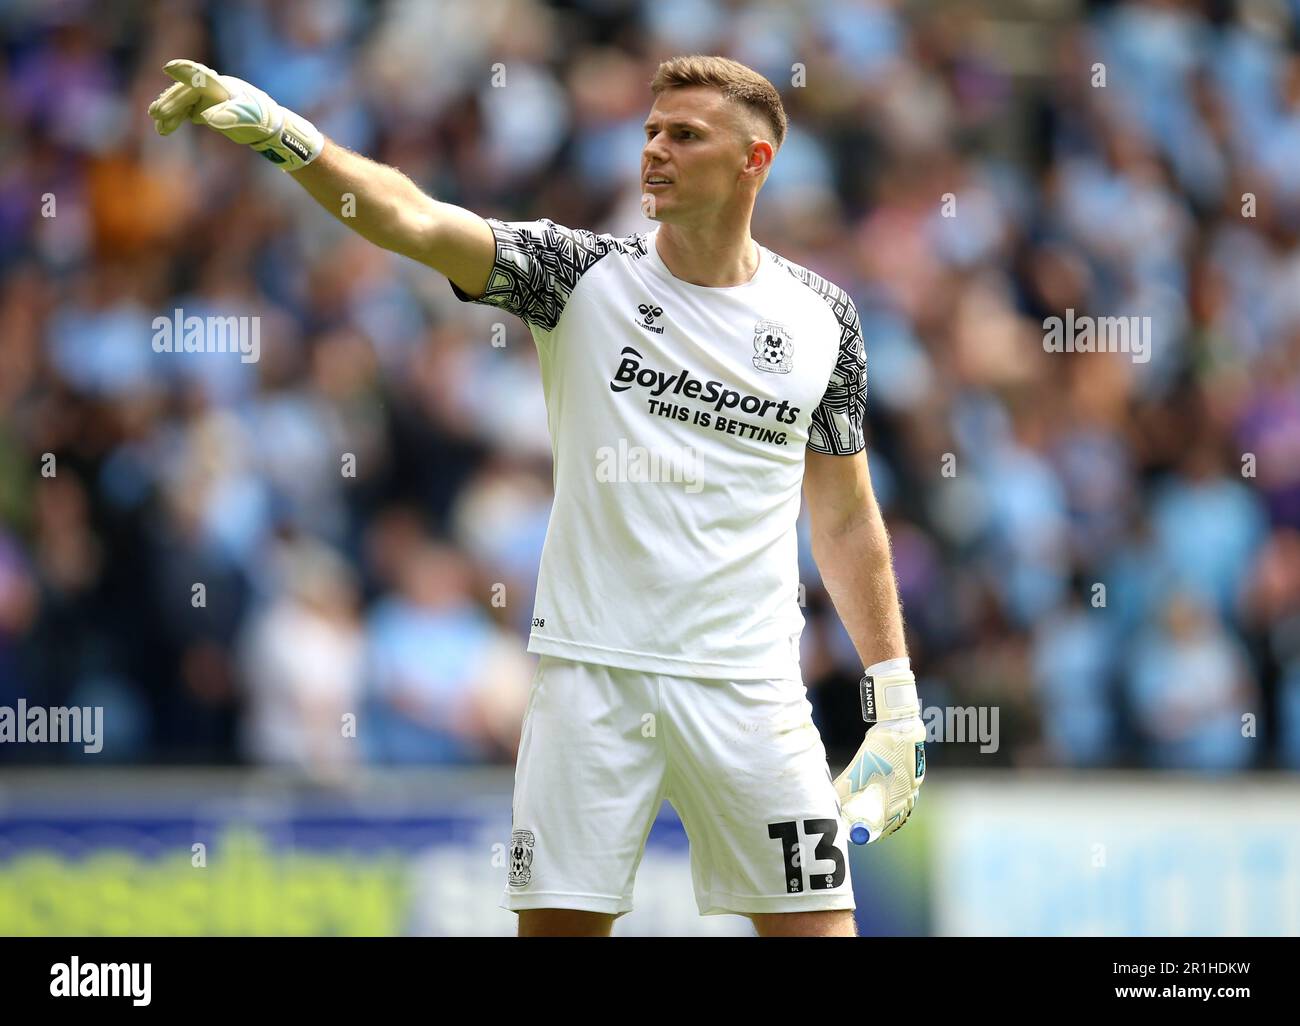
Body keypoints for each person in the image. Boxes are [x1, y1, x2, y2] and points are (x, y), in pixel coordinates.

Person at [148, 53, 926, 938]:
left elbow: (846, 514)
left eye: (684, 135)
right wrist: (289, 136)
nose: (653, 153)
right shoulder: (576, 275)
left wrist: (894, 697)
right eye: (650, 134)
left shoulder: (823, 319)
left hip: (752, 686)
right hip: (591, 677)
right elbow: (413, 220)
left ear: (755, 162)